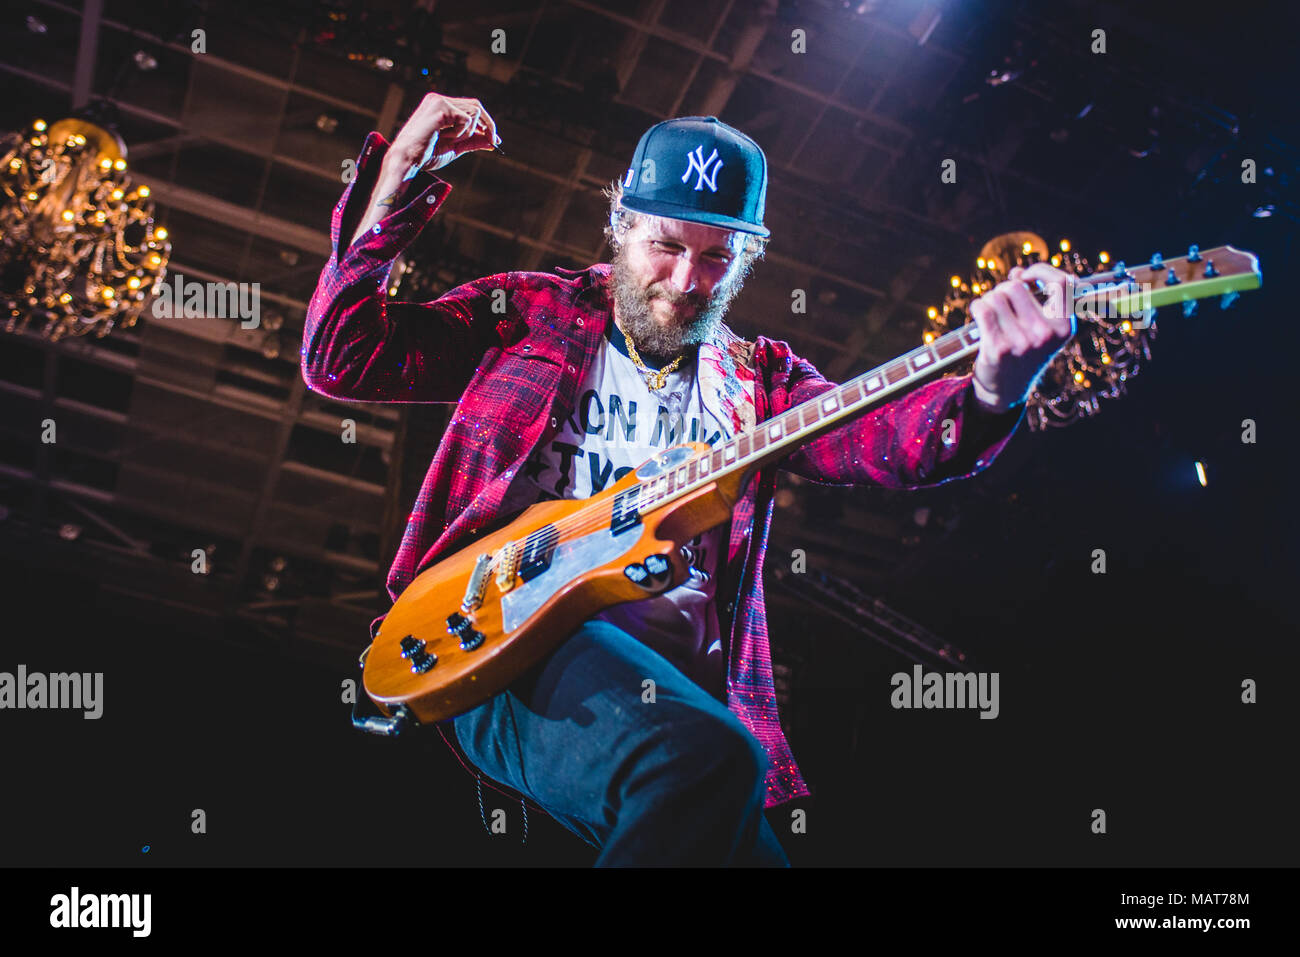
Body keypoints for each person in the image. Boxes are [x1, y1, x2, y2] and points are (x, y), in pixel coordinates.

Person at [301, 93, 1074, 866]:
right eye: (666, 246)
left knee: (721, 780)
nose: (687, 280)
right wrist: (395, 179)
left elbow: (881, 440)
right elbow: (343, 355)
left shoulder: (761, 381)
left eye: (717, 258)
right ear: (621, 224)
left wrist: (990, 391)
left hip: (679, 700)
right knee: (711, 761)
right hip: (503, 643)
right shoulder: (530, 313)